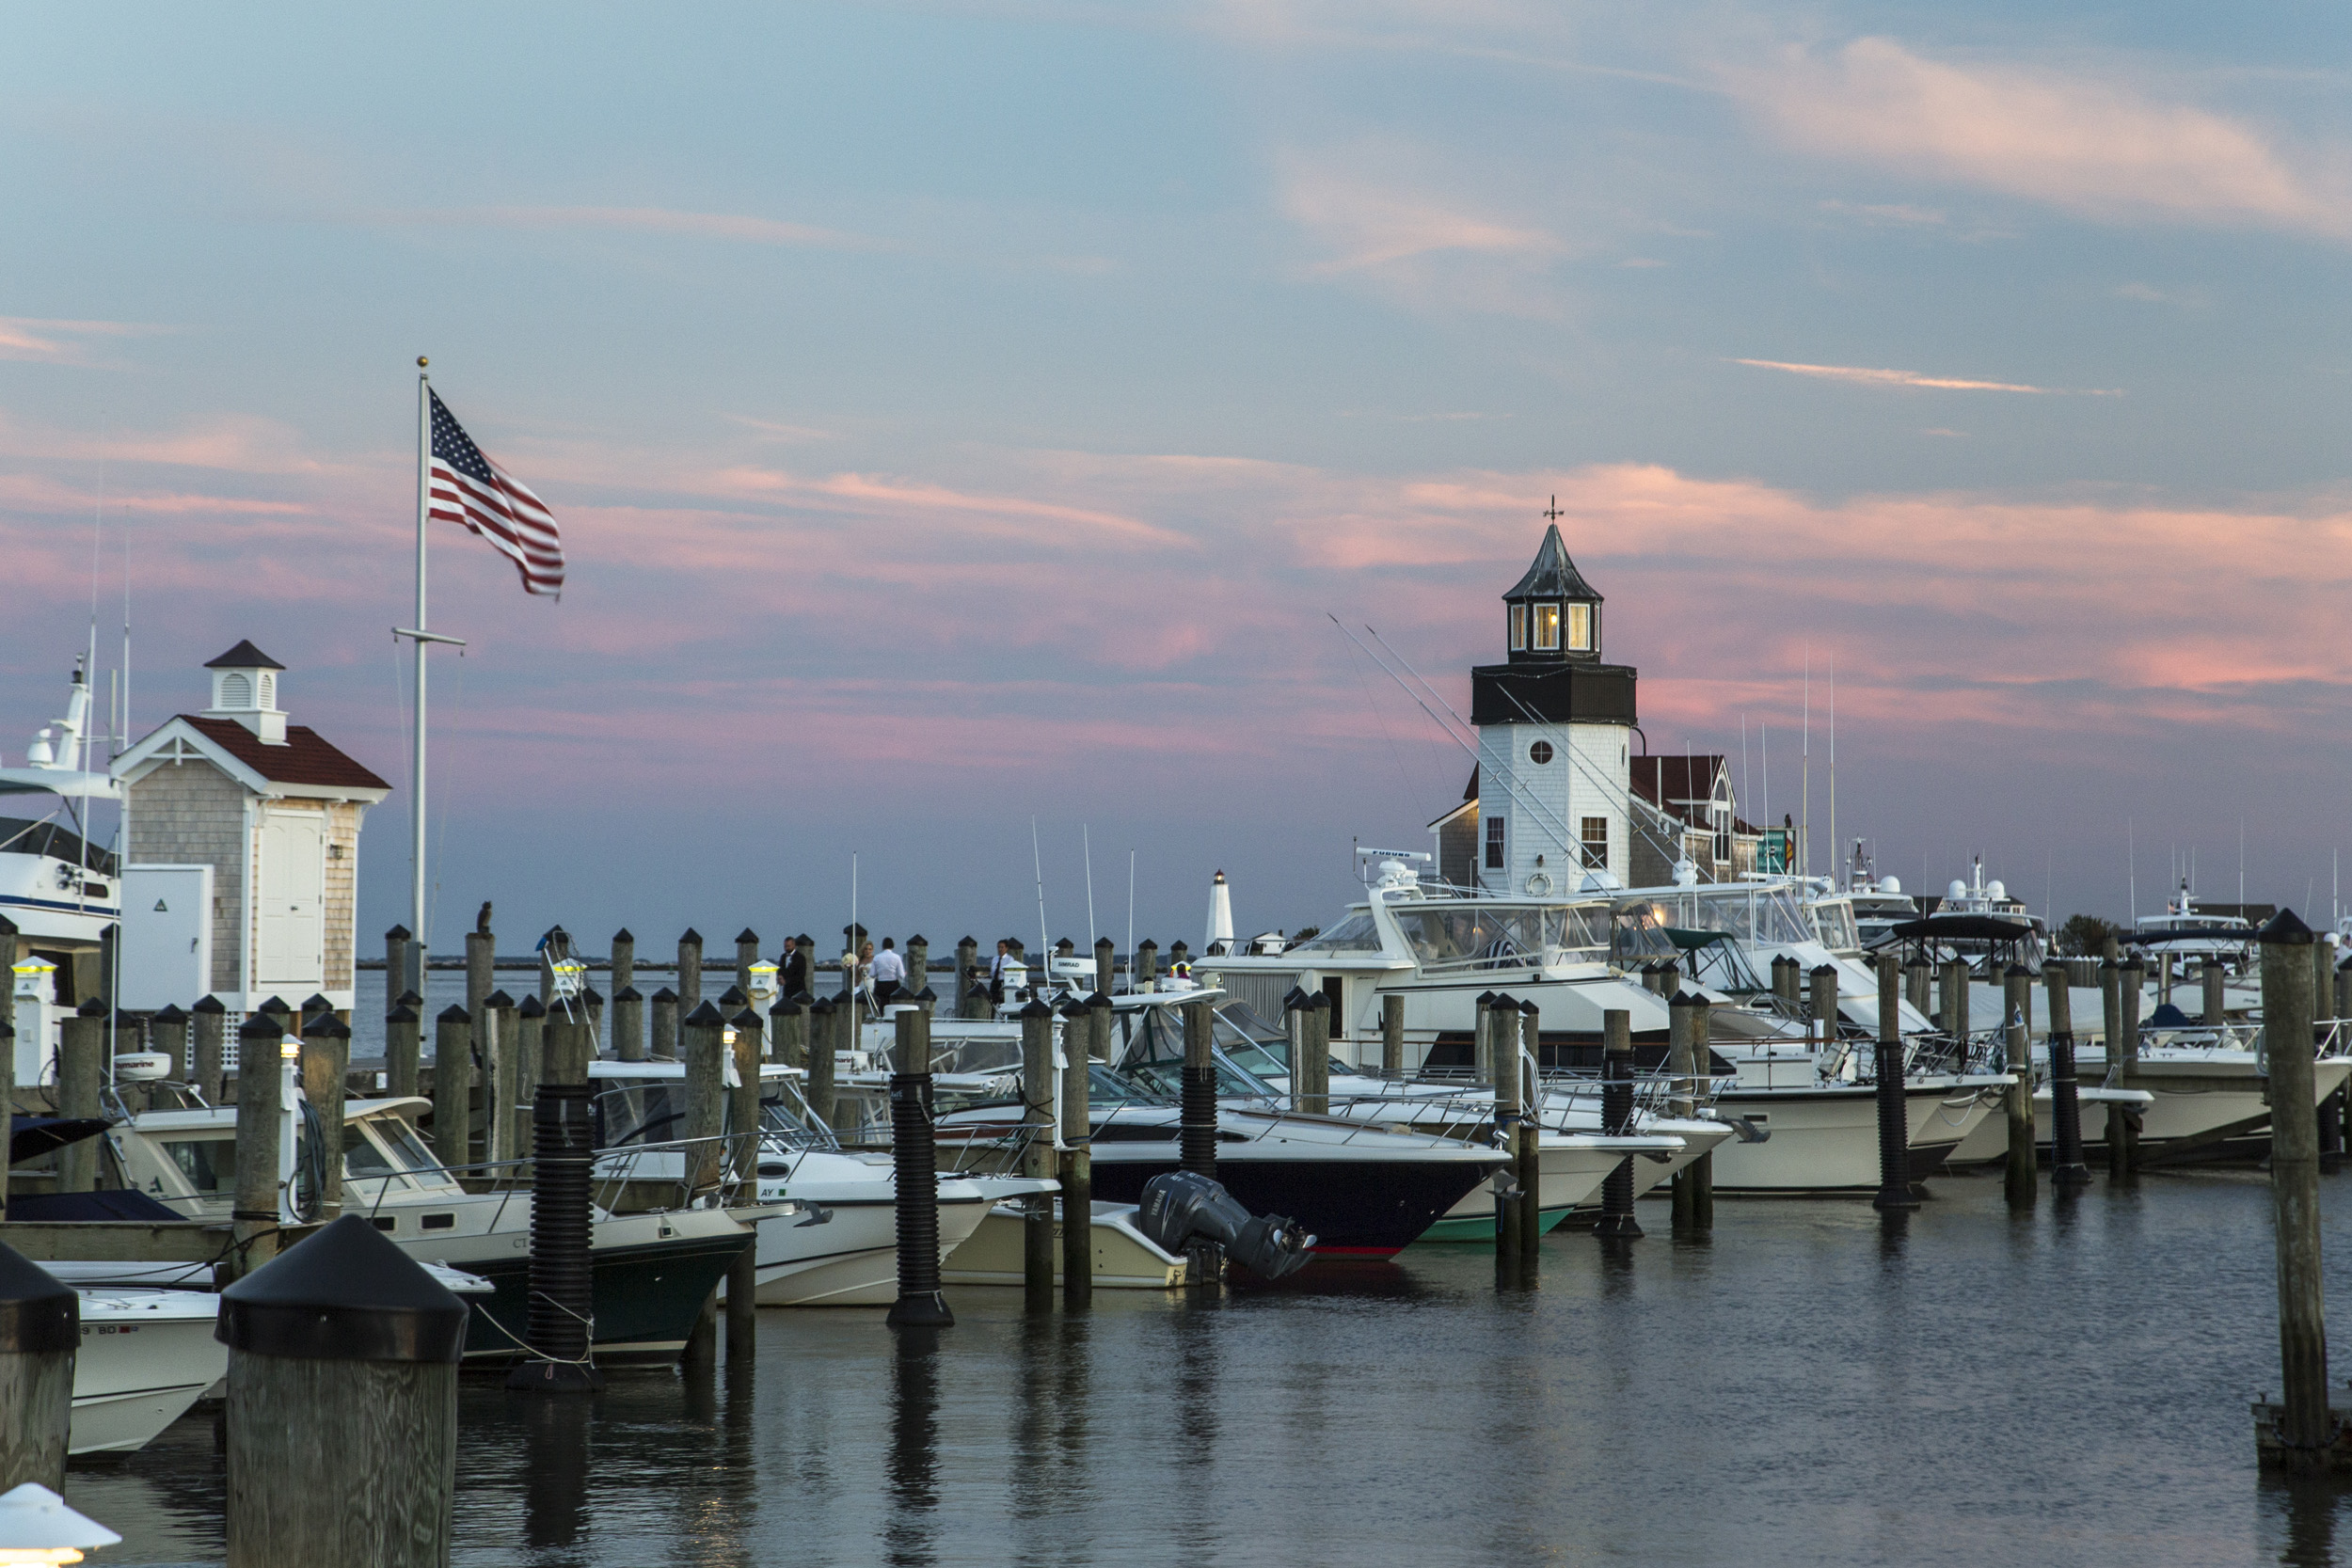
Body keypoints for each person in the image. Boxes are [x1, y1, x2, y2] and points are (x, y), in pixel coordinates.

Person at [871, 937, 906, 1005]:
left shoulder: (877, 957)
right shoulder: (897, 957)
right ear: (893, 946)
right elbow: (901, 975)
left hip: (880, 985)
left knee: (881, 1005)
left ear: (883, 946)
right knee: (893, 1005)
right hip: (893, 985)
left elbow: (872, 974)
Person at [988, 939, 1013, 1006]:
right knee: (992, 1001)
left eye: (1002, 947)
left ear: (1006, 948)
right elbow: (992, 971)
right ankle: (991, 1016)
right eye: (999, 947)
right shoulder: (995, 959)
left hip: (1003, 982)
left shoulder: (1009, 959)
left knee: (1002, 1002)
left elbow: (1008, 971)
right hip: (995, 982)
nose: (1000, 949)